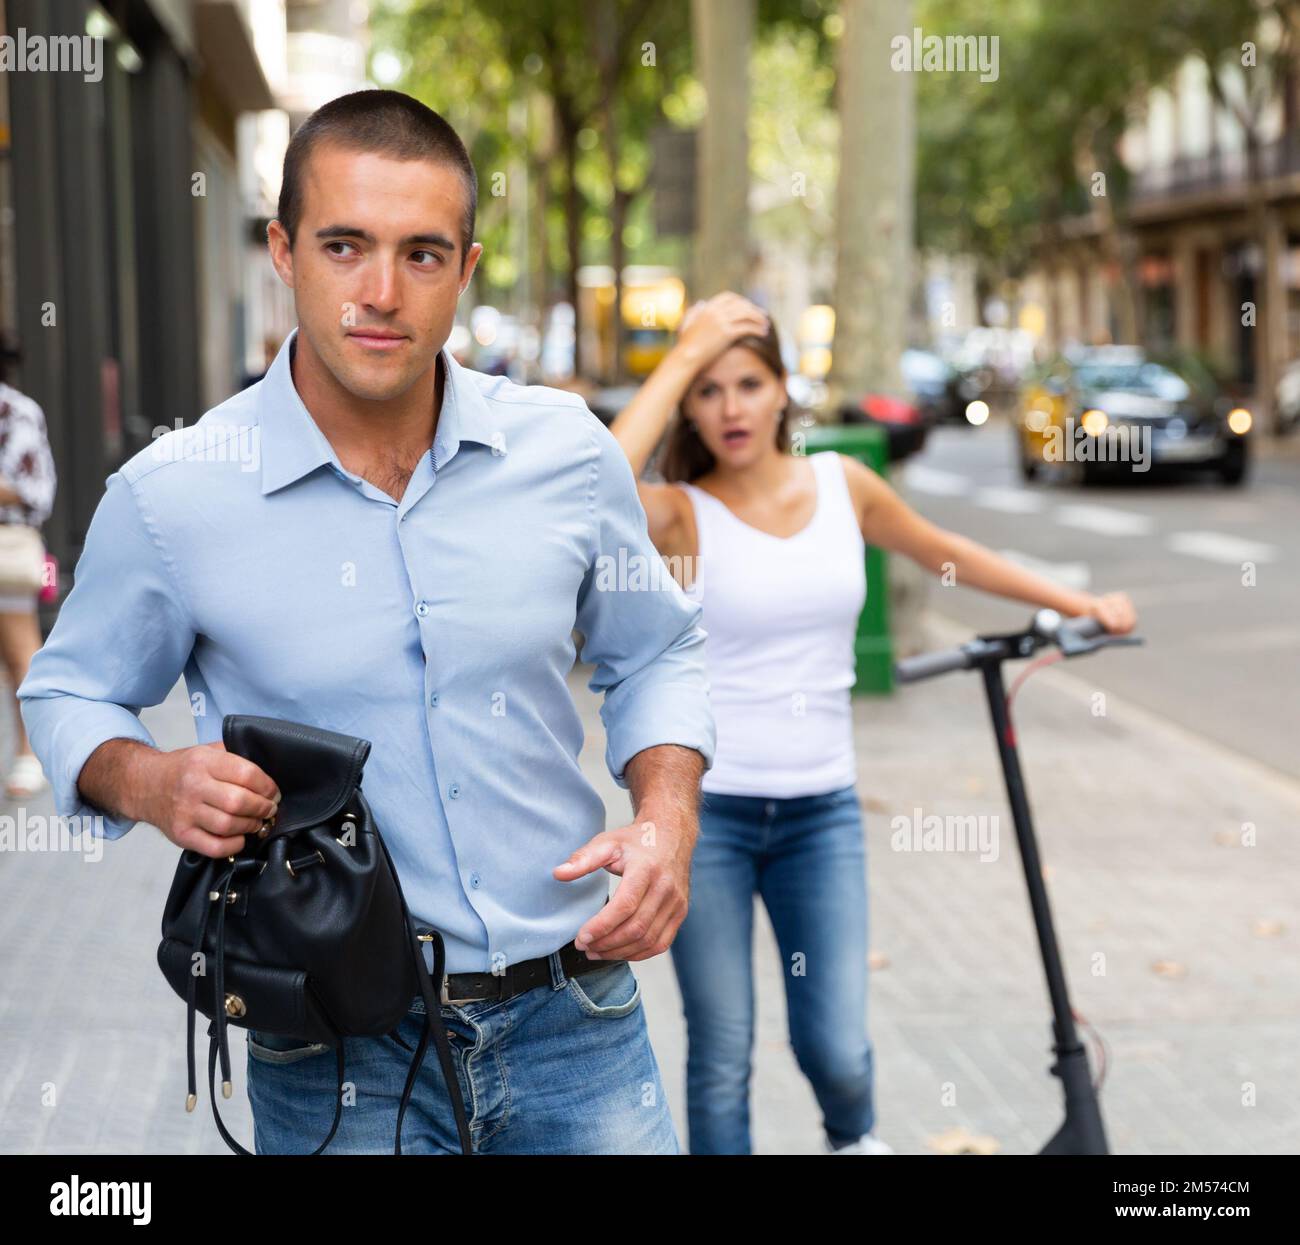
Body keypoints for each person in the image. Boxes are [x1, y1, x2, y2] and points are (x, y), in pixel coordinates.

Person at [18, 90, 716, 1155]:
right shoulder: (174, 495)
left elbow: (658, 651)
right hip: (333, 1051)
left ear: (466, 268)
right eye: (344, 246)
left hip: (577, 1021)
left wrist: (667, 819)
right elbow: (67, 689)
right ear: (284, 252)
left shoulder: (567, 457)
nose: (381, 293)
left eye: (422, 255)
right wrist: (152, 781)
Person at [607, 291, 1138, 1155]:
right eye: (707, 389)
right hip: (712, 818)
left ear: (783, 388)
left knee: (839, 1052)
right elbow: (594, 485)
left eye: (748, 382)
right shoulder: (677, 513)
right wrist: (681, 353)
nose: (729, 407)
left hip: (823, 814)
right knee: (723, 1051)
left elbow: (948, 554)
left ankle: (854, 1143)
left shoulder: (842, 485)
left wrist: (1077, 603)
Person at [0, 343, 57, 799]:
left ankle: (31, 753)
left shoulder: (15, 411)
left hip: (7, 548)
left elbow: (34, 489)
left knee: (20, 654)